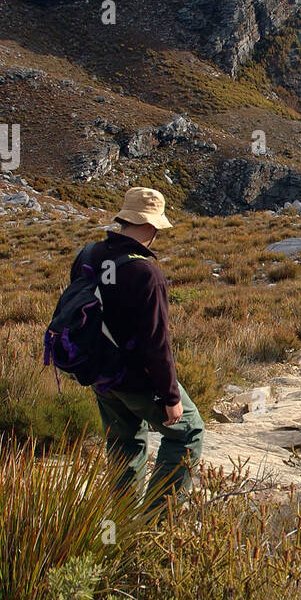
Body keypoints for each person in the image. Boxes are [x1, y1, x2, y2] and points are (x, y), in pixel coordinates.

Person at [69, 186, 203, 514]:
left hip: (100, 374)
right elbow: (156, 345)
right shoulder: (146, 273)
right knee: (189, 432)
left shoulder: (89, 254)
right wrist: (171, 398)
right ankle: (154, 524)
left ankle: (124, 524)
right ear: (152, 226)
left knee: (124, 445)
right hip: (135, 379)